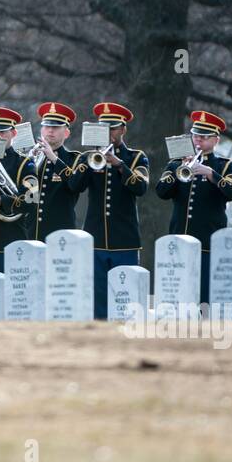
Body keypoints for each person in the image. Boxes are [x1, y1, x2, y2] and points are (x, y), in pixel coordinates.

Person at [70, 102, 149, 319]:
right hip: (95, 239)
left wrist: (119, 164)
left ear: (123, 129)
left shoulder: (136, 157)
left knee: (126, 296)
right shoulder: (90, 158)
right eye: (104, 127)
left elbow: (140, 187)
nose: (108, 132)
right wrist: (88, 162)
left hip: (125, 240)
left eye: (112, 128)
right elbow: (75, 186)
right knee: (98, 297)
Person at [154, 110, 232, 305]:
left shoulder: (224, 165)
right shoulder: (177, 163)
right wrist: (178, 171)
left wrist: (212, 175)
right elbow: (161, 192)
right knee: (179, 293)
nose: (198, 141)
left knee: (204, 294)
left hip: (208, 241)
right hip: (180, 236)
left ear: (216, 140)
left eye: (204, 137)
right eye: (195, 136)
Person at [0, 106, 36, 275]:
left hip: (10, 243)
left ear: (14, 134)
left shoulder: (25, 164)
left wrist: (0, 200)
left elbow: (31, 201)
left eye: (3, 132)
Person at [33, 102, 84, 240]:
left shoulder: (75, 158)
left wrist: (53, 158)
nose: (50, 130)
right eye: (47, 126)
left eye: (55, 127)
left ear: (66, 133)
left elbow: (75, 185)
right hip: (31, 231)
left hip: (60, 234)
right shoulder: (31, 157)